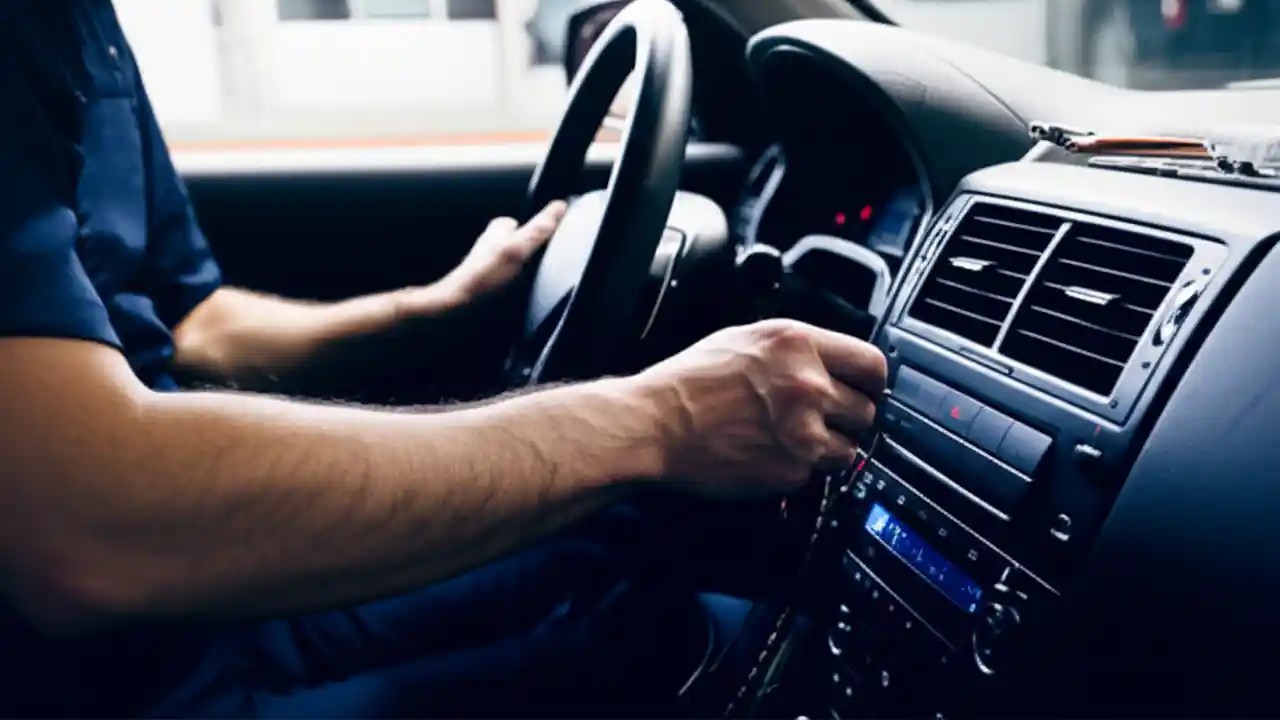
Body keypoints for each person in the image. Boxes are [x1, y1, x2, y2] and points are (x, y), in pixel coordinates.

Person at [0, 0, 886, 716]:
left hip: (184, 616)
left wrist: (438, 308)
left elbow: (194, 323)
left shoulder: (81, 24)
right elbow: (84, 527)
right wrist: (662, 420)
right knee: (678, 638)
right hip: (90, 674)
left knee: (627, 544)